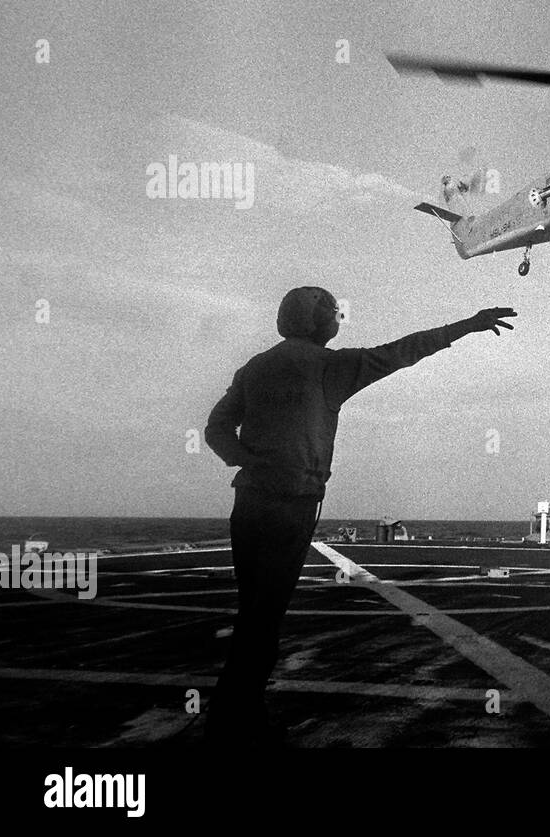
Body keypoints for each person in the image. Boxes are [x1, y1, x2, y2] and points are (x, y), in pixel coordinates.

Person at [202, 286, 516, 745]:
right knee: (265, 617)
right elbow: (402, 352)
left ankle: (229, 716)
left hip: (248, 502)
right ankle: (239, 724)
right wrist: (466, 326)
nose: (337, 320)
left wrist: (245, 459)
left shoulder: (254, 367)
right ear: (315, 321)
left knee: (253, 612)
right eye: (333, 312)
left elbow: (215, 427)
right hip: (292, 504)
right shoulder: (332, 366)